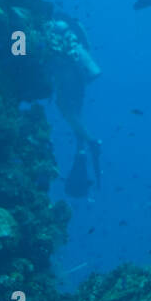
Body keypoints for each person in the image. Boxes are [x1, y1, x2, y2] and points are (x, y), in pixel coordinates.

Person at [43, 16, 102, 198]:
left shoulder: (51, 24)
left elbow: (49, 52)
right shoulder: (71, 22)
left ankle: (92, 142)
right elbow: (86, 43)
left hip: (67, 74)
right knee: (76, 114)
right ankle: (82, 151)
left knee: (66, 110)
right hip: (80, 74)